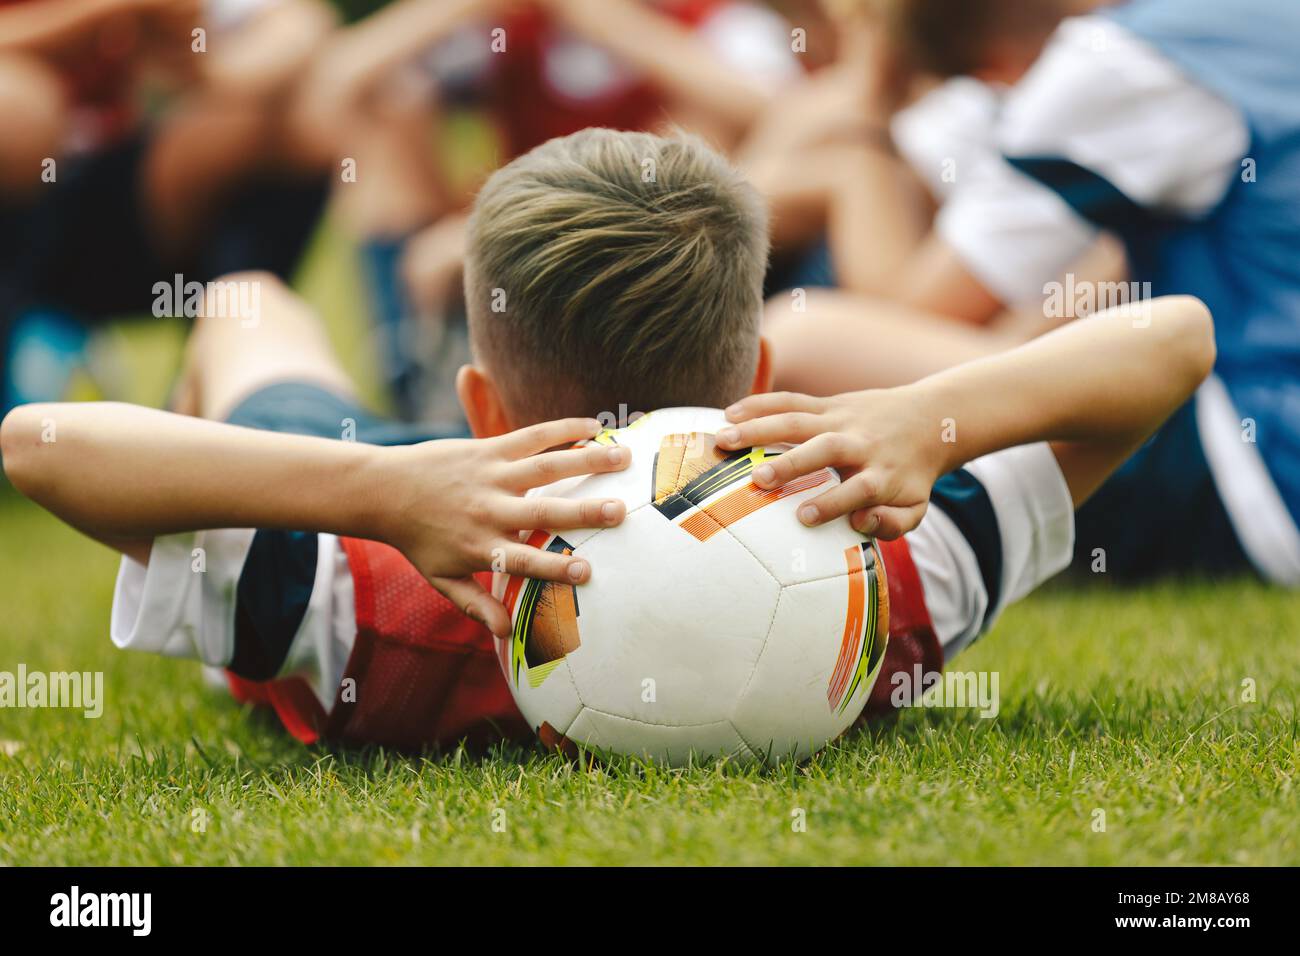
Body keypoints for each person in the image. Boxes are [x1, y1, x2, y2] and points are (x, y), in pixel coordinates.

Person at [1, 129, 1214, 752]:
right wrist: (929, 414)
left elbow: (43, 442)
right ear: (757, 375)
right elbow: (1171, 338)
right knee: (249, 311)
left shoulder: (345, 582)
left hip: (380, 477)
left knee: (247, 305)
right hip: (420, 481)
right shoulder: (888, 568)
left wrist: (376, 488)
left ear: (478, 404)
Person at [765, 0, 1300, 585]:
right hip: (1261, 435)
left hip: (1261, 463)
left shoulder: (1118, 58)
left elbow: (902, 316)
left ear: (996, 69)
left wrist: (862, 131)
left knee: (799, 339)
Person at [0, 0, 336, 412]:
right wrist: (95, 18)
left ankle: (229, 392)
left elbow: (299, 23)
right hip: (21, 200)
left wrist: (205, 69)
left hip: (110, 204)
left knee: (303, 126)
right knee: (15, 105)